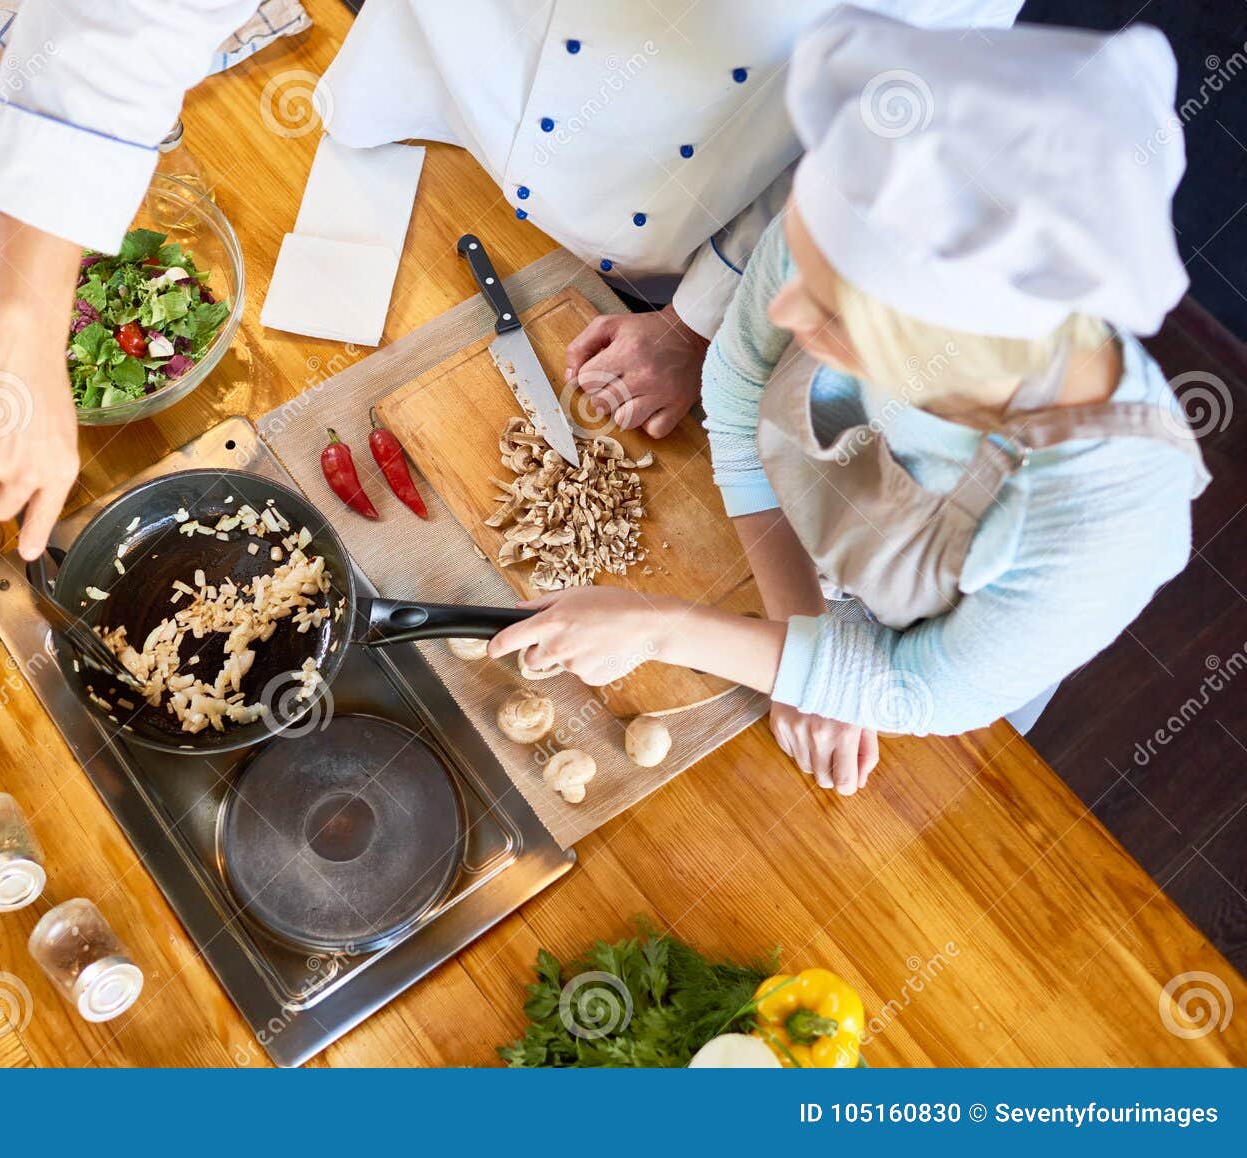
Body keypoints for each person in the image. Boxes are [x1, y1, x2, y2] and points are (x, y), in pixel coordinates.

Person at [0, 0, 1022, 558]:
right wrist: (23, 324)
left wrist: (695, 325)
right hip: (427, 107)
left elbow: (871, 138)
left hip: (671, 236)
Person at [488, 8, 1210, 796]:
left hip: (912, 699)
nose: (786, 312)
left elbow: (923, 689)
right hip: (783, 573)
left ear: (949, 350)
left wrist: (665, 628)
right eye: (796, 266)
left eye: (829, 315)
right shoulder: (860, 216)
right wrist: (801, 640)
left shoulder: (1107, 524)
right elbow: (732, 390)